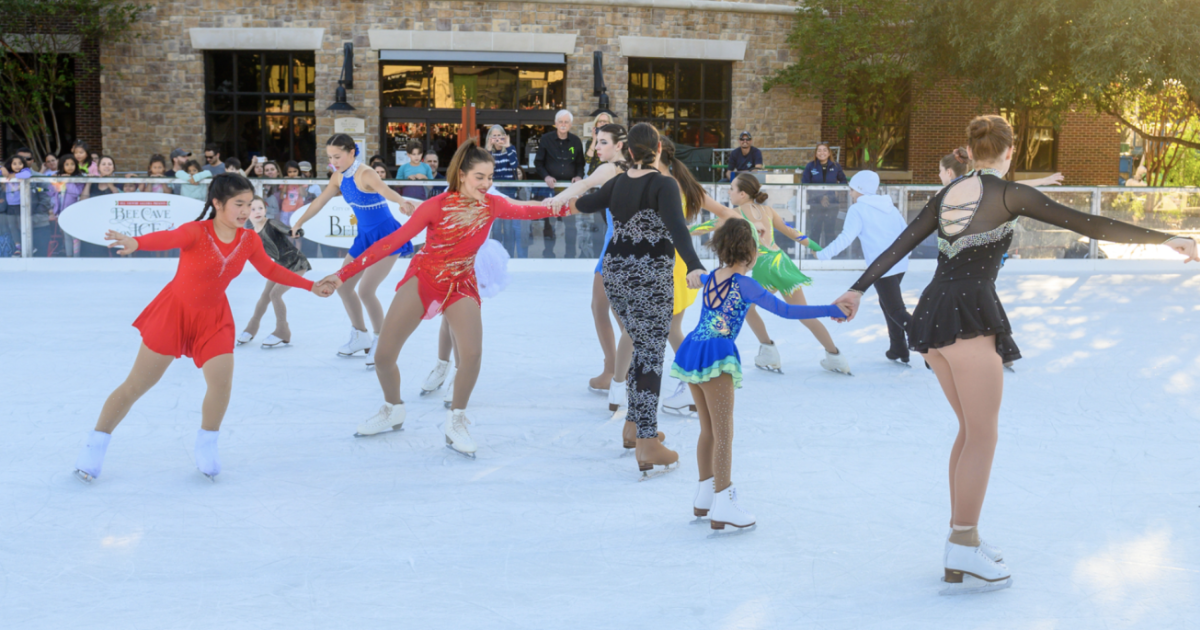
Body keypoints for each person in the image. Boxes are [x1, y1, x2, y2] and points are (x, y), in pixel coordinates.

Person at [832, 115, 1199, 594]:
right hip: (967, 320)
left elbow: (900, 246)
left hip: (935, 316)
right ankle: (962, 544)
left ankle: (964, 538)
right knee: (982, 436)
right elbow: (1089, 224)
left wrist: (858, 289)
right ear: (1011, 150)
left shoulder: (948, 194)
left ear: (967, 150)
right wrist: (1165, 238)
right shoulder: (1009, 194)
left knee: (969, 432)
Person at [318, 139, 573, 457]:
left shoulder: (490, 205)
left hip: (461, 282)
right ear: (463, 174)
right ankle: (392, 408)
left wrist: (571, 204)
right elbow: (390, 242)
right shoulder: (435, 206)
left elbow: (529, 211)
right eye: (480, 177)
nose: (487, 184)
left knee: (472, 355)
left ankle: (457, 419)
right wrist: (341, 275)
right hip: (424, 277)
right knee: (383, 356)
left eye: (490, 177)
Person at [71, 173, 333, 482]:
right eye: (238, 204)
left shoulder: (248, 240)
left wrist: (310, 285)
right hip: (174, 313)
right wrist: (136, 242)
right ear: (217, 203)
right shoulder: (197, 232)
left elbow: (271, 268)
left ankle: (207, 445)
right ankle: (96, 444)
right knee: (136, 386)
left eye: (249, 204)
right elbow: (168, 238)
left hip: (214, 318)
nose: (245, 211)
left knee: (221, 383)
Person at [673, 219, 844, 531]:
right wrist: (829, 309)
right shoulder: (745, 284)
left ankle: (704, 498)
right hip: (716, 356)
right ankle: (723, 503)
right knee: (723, 433)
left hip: (693, 350)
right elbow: (787, 311)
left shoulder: (713, 277)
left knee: (708, 430)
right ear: (750, 252)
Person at [569, 123, 706, 477]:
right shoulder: (663, 184)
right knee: (649, 355)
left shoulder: (617, 182)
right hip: (649, 277)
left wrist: (577, 188)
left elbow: (583, 203)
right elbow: (677, 227)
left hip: (616, 274)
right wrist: (694, 264)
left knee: (642, 347)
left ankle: (633, 426)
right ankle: (647, 442)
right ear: (658, 148)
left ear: (627, 151)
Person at [290, 134, 418, 365]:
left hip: (386, 236)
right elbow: (319, 202)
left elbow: (385, 190)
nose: (334, 162)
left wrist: (401, 201)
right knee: (344, 286)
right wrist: (300, 222)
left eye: (337, 156)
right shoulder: (338, 178)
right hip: (363, 238)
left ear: (352, 152)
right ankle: (360, 335)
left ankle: (382, 341)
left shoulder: (366, 173)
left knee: (366, 291)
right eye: (330, 158)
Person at [718, 173, 848, 375]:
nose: (729, 191)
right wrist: (816, 248)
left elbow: (708, 228)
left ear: (742, 194)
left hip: (763, 265)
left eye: (732, 188)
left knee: (747, 309)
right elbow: (791, 231)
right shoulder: (768, 210)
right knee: (803, 314)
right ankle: (836, 357)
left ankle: (768, 350)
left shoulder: (734, 213)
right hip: (781, 262)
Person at [546, 124, 638, 401]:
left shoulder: (610, 168)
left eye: (602, 142)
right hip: (630, 246)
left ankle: (614, 369)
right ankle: (626, 367)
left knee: (602, 308)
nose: (596, 148)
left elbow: (583, 186)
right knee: (616, 310)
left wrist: (555, 200)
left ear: (619, 144)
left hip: (614, 248)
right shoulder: (634, 169)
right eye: (596, 142)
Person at [815, 170, 912, 363]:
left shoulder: (858, 209)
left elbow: (846, 238)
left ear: (859, 189)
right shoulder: (889, 207)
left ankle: (930, 341)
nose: (850, 194)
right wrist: (905, 256)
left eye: (852, 190)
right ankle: (898, 348)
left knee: (895, 310)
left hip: (881, 266)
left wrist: (822, 253)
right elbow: (906, 232)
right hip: (899, 263)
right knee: (888, 305)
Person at [237, 196, 312, 348]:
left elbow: (287, 230)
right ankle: (251, 328)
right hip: (279, 265)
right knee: (265, 295)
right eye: (253, 209)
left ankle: (282, 331)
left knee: (275, 294)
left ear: (265, 210)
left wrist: (295, 232)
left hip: (295, 263)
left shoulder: (271, 223)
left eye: (260, 208)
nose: (257, 212)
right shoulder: (250, 232)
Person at [535, 110, 585, 258]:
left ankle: (570, 254)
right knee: (548, 222)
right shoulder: (546, 139)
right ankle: (548, 254)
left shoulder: (576, 141)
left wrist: (579, 176)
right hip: (550, 189)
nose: (563, 125)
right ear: (556, 123)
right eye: (561, 122)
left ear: (570, 124)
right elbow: (538, 163)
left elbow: (580, 164)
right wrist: (546, 176)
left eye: (566, 122)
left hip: (569, 190)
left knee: (570, 224)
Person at [487, 125, 525, 257]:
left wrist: (508, 146)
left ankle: (509, 256)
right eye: (494, 136)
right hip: (495, 194)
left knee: (508, 227)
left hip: (509, 192)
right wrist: (488, 148)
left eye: (499, 135)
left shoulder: (510, 149)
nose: (497, 139)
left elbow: (515, 165)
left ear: (504, 137)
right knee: (496, 227)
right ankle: (497, 256)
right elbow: (486, 167)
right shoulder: (488, 152)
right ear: (490, 138)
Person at [801, 142, 847, 249]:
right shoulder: (810, 166)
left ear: (829, 152)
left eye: (825, 150)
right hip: (815, 203)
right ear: (816, 153)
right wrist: (821, 197)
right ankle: (814, 255)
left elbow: (843, 181)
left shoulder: (836, 166)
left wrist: (833, 194)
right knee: (815, 230)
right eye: (819, 150)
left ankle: (829, 256)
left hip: (832, 204)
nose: (822, 152)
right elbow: (805, 184)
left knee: (830, 230)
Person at [52, 155, 86, 257]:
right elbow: (51, 194)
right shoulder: (57, 177)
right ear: (62, 165)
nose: (70, 167)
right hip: (61, 212)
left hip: (75, 213)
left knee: (75, 236)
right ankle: (69, 256)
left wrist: (68, 181)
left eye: (72, 164)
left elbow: (76, 192)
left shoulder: (79, 178)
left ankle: (76, 257)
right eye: (67, 164)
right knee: (66, 236)